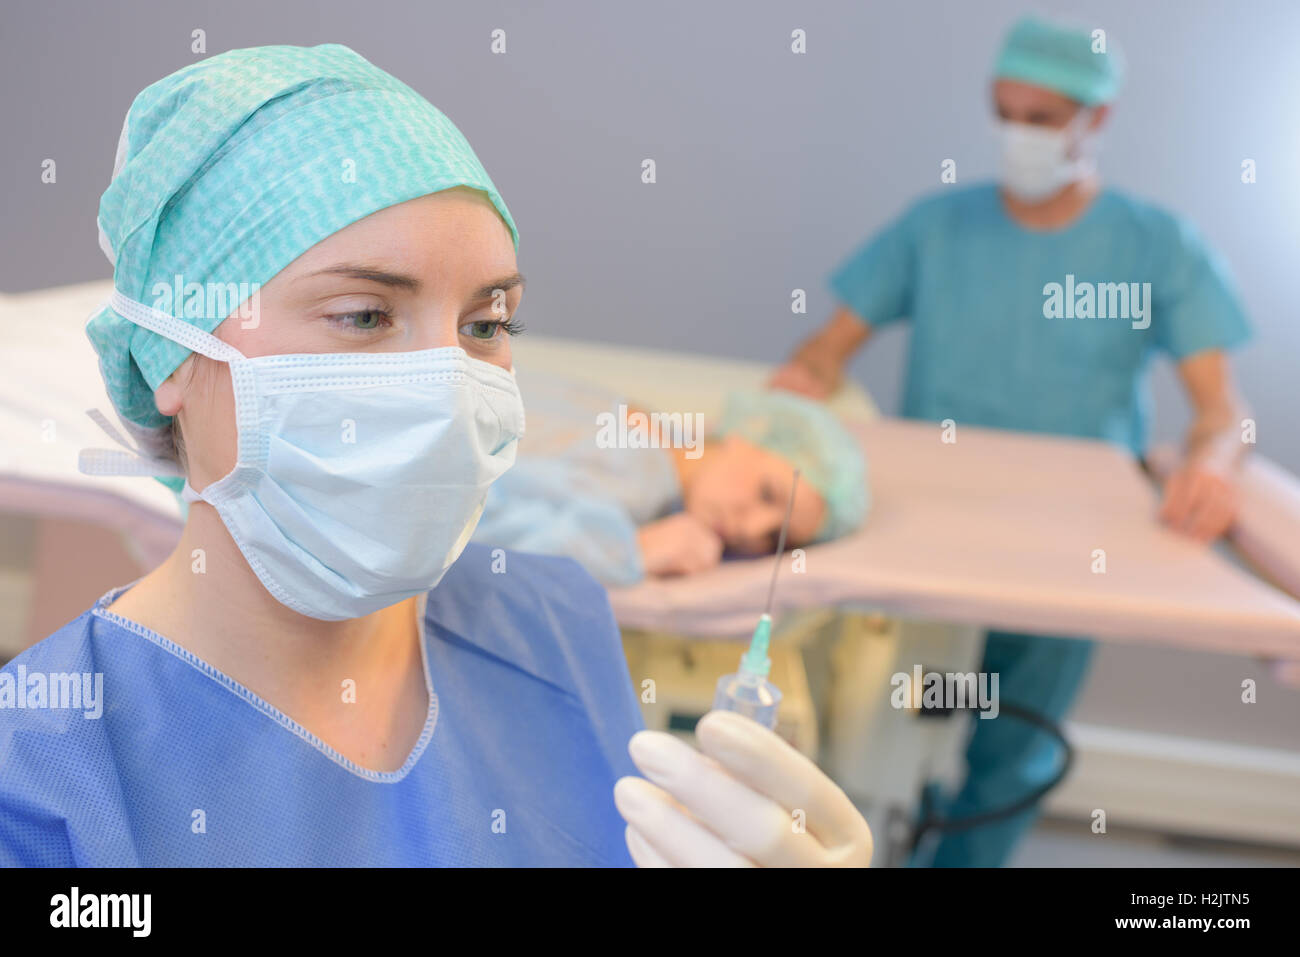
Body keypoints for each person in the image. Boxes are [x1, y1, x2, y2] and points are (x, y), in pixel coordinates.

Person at [0, 44, 872, 867]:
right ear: (173, 358)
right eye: (366, 315)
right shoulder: (46, 769)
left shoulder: (552, 622)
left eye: (486, 324)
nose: (447, 385)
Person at [771, 16, 1251, 867]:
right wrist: (799, 392)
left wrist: (1214, 459)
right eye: (1005, 111)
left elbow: (1222, 413)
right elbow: (822, 353)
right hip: (928, 534)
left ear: (1093, 121)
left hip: (1070, 551)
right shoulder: (937, 227)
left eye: (1042, 117)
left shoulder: (1156, 246)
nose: (1018, 134)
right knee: (887, 724)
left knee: (1009, 742)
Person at [470, 372, 869, 585]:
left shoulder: (647, 427)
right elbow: (464, 523)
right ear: (749, 433)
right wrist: (631, 552)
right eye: (768, 493)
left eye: (775, 538)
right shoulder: (640, 479)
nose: (751, 529)